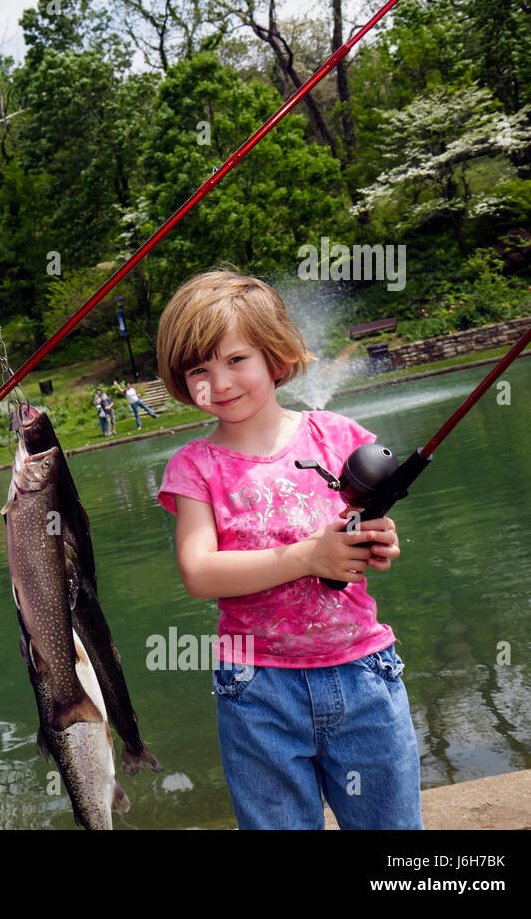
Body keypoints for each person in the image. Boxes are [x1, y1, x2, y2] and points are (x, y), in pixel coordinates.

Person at [153, 270, 419, 830]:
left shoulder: (337, 436)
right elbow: (199, 572)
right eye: (198, 370)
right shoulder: (194, 467)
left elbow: (365, 531)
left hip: (363, 671)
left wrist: (380, 541)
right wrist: (307, 557)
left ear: (275, 357)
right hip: (257, 691)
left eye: (235, 359)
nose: (219, 382)